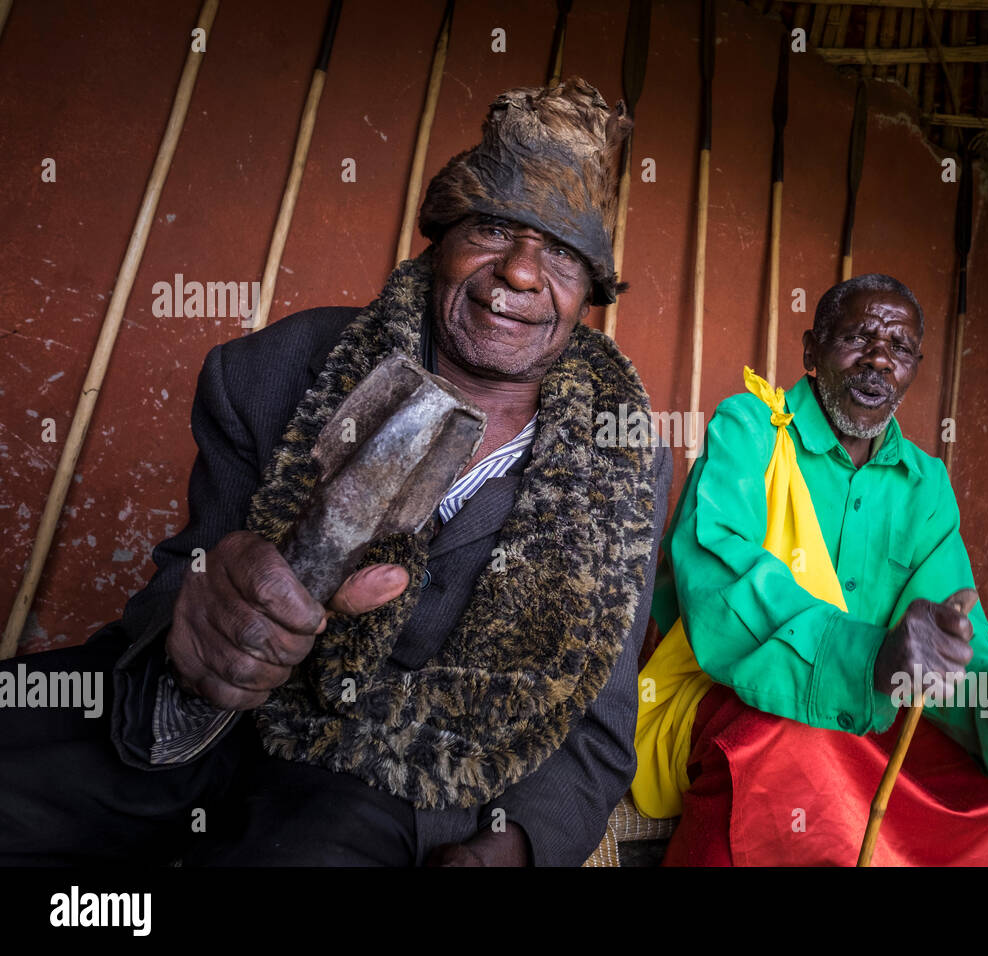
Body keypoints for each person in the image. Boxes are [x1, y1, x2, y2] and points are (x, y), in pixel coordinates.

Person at [0, 77, 671, 867]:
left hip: (396, 772)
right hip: (208, 717)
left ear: (589, 293)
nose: (521, 273)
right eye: (493, 229)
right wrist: (200, 614)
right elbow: (183, 578)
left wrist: (511, 845)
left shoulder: (622, 455)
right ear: (440, 240)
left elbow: (594, 717)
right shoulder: (280, 368)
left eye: (559, 252)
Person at [636, 274, 988, 866]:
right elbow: (720, 590)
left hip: (877, 710)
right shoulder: (750, 430)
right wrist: (871, 659)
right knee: (784, 746)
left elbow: (950, 651)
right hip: (725, 690)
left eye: (900, 348)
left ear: (914, 367)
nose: (880, 359)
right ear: (811, 352)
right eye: (858, 338)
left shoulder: (926, 484)